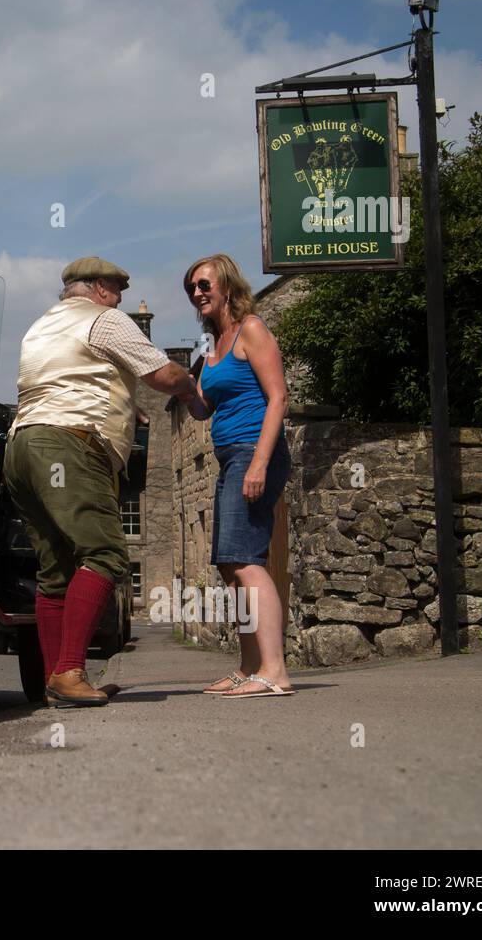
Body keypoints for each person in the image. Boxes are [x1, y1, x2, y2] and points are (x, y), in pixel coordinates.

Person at [6, 257, 199, 706]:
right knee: (106, 555)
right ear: (97, 288)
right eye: (116, 290)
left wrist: (126, 405)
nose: (120, 299)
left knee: (55, 571)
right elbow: (161, 373)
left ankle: (56, 680)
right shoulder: (104, 320)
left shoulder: (40, 326)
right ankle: (71, 671)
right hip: (69, 445)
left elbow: (67, 380)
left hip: (22, 445)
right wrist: (191, 386)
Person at [181, 254, 293, 698]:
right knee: (231, 566)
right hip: (230, 457)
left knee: (247, 561)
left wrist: (260, 463)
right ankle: (249, 666)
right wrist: (179, 386)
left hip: (254, 451)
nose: (197, 293)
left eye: (204, 284)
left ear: (227, 286)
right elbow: (201, 409)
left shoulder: (252, 329)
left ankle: (275, 671)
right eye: (192, 288)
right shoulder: (212, 344)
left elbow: (278, 397)